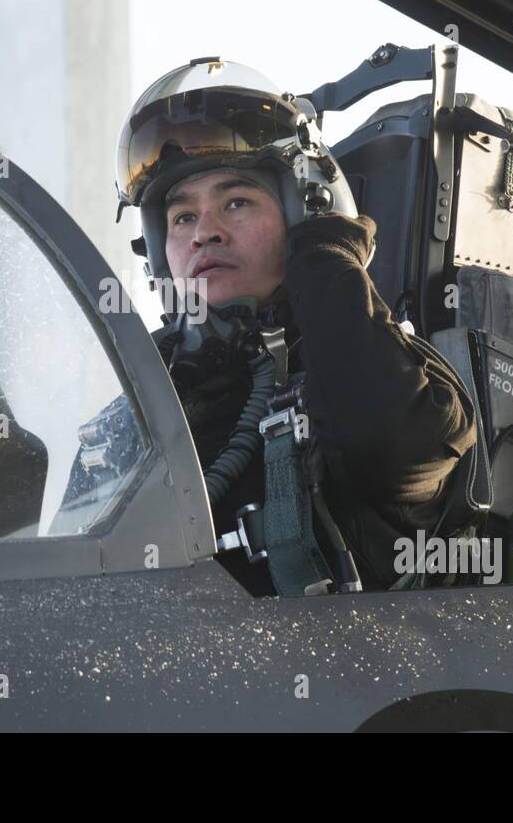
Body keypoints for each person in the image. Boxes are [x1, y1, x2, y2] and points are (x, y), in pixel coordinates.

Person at [60, 58, 477, 593]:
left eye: (236, 202)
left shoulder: (407, 378)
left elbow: (389, 446)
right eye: (182, 216)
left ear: (303, 216)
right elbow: (60, 590)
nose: (203, 233)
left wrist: (328, 260)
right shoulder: (135, 416)